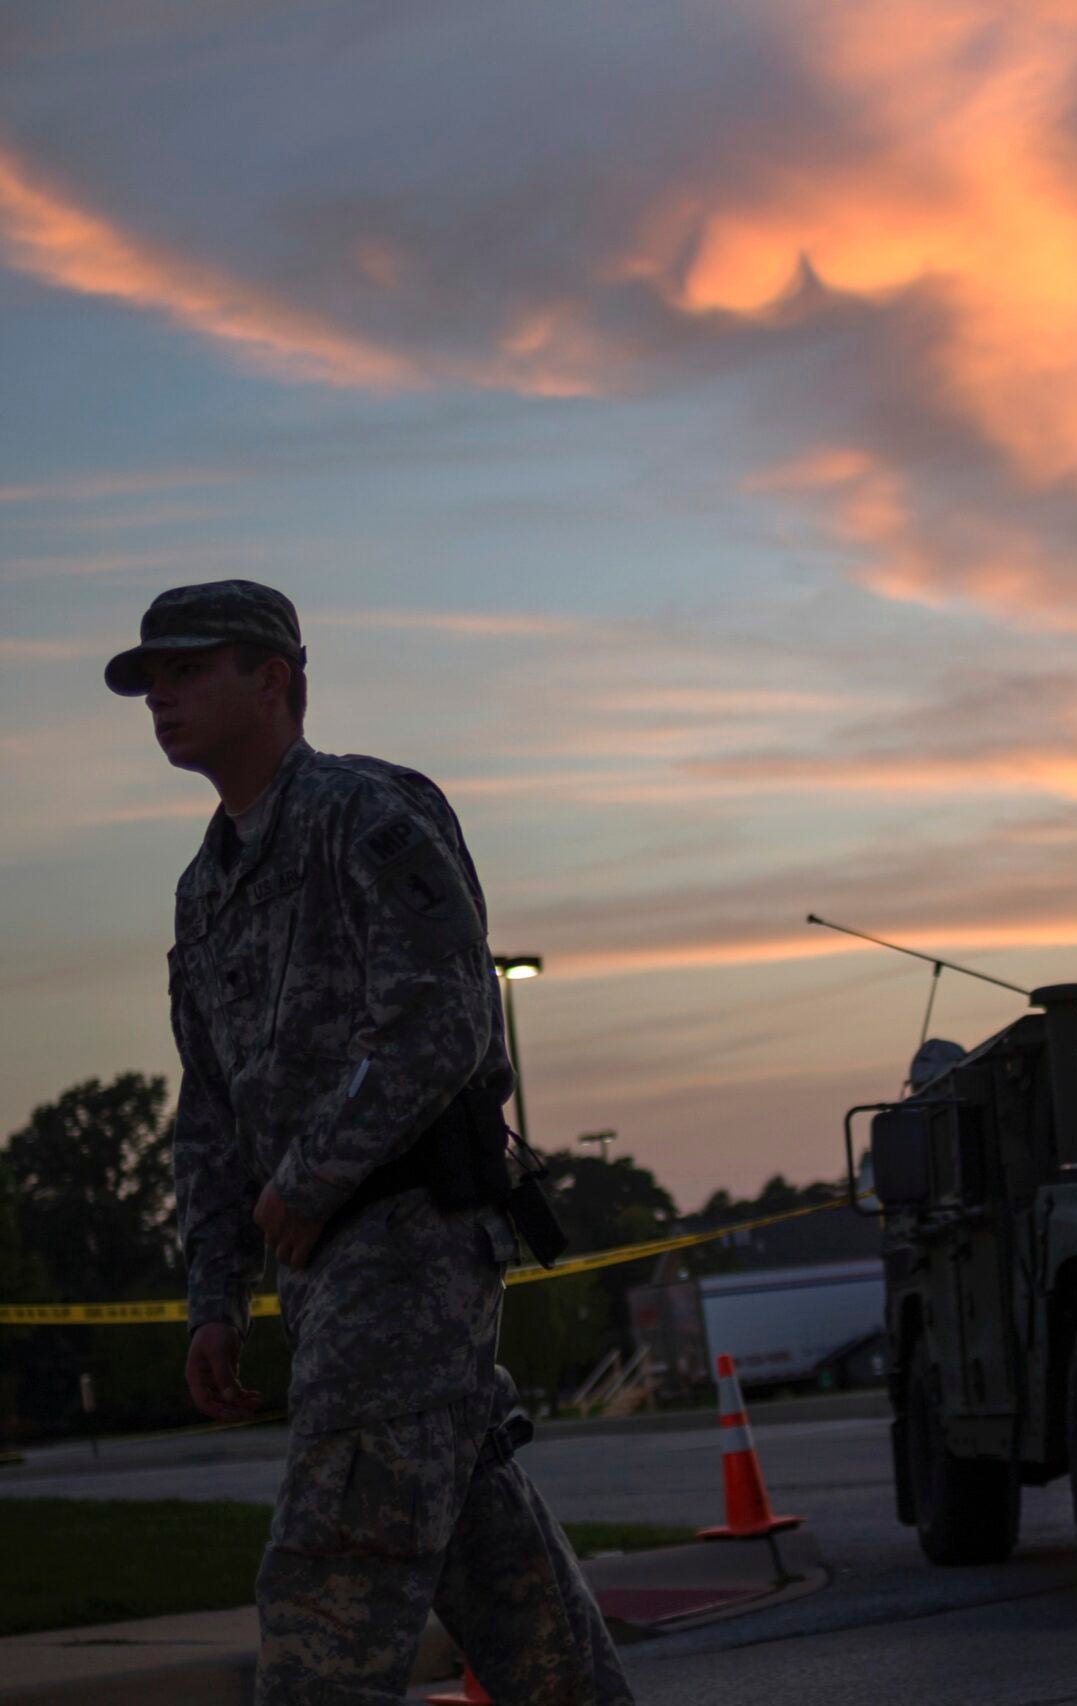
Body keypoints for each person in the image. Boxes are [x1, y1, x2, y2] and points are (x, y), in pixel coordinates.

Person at [115, 580, 632, 1705]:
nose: (160, 694)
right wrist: (214, 1293)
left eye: (189, 667)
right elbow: (209, 1110)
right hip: (319, 1273)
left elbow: (446, 1013)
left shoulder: (369, 815)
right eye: (149, 677)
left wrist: (310, 1176)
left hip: (410, 1247)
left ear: (276, 680)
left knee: (331, 1578)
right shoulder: (204, 891)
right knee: (502, 1579)